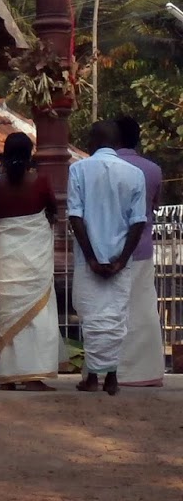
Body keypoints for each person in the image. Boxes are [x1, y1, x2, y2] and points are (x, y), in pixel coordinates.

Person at [0, 133, 60, 390]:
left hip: (4, 260)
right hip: (34, 262)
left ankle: (8, 375)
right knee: (38, 318)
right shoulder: (41, 182)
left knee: (6, 317)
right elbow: (53, 213)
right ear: (30, 155)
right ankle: (33, 376)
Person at [68, 120, 148, 396]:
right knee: (115, 318)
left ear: (93, 141)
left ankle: (92, 378)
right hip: (120, 260)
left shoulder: (78, 169)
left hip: (88, 259)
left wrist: (91, 258)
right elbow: (138, 221)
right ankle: (111, 378)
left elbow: (75, 217)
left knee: (91, 319)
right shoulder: (135, 174)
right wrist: (122, 260)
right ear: (116, 142)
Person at [114, 115, 165, 387]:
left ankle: (111, 370)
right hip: (142, 248)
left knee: (112, 310)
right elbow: (154, 205)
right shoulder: (153, 170)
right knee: (144, 308)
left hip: (108, 250)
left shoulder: (103, 167)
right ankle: (147, 372)